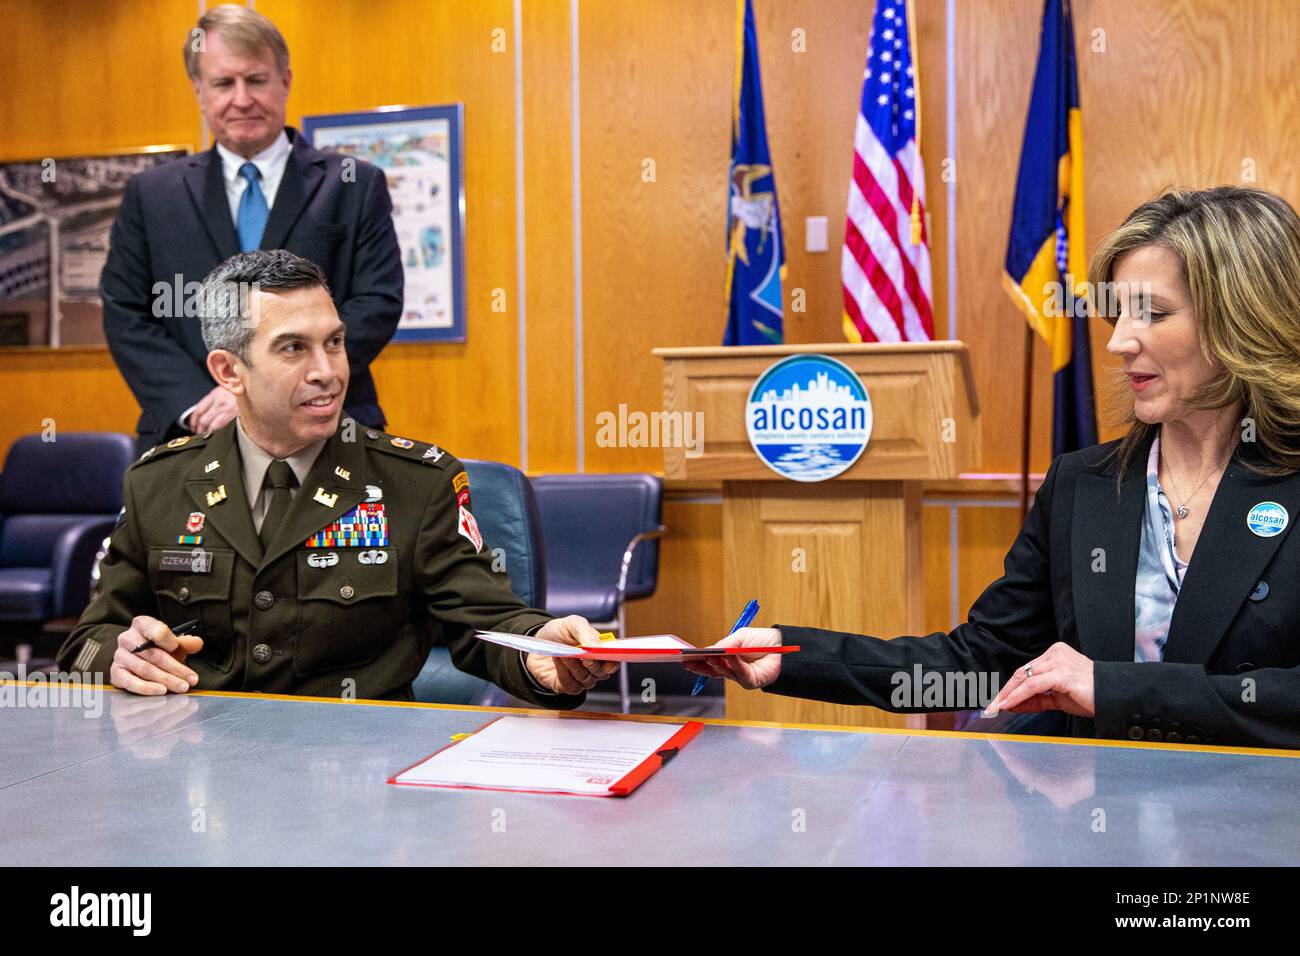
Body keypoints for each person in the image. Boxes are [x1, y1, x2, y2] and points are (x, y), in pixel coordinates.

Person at [687, 186, 1300, 750]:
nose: (1117, 342)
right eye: (1120, 313)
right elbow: (980, 663)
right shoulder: (1082, 485)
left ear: (1242, 322)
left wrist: (1114, 690)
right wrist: (790, 656)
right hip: (1096, 822)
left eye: (1154, 314)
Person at [58, 250, 616, 704]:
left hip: (361, 778)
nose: (328, 372)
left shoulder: (415, 483)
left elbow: (484, 622)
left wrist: (539, 649)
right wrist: (119, 656)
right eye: (294, 348)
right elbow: (84, 643)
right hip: (197, 776)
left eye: (335, 342)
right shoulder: (158, 482)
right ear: (230, 372)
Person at [102, 4, 401, 454]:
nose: (241, 99)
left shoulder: (354, 185)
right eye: (224, 83)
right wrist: (207, 399)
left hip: (329, 428)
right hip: (194, 433)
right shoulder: (150, 194)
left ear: (285, 82)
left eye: (256, 79)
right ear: (199, 91)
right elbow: (126, 313)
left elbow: (376, 302)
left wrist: (273, 387)